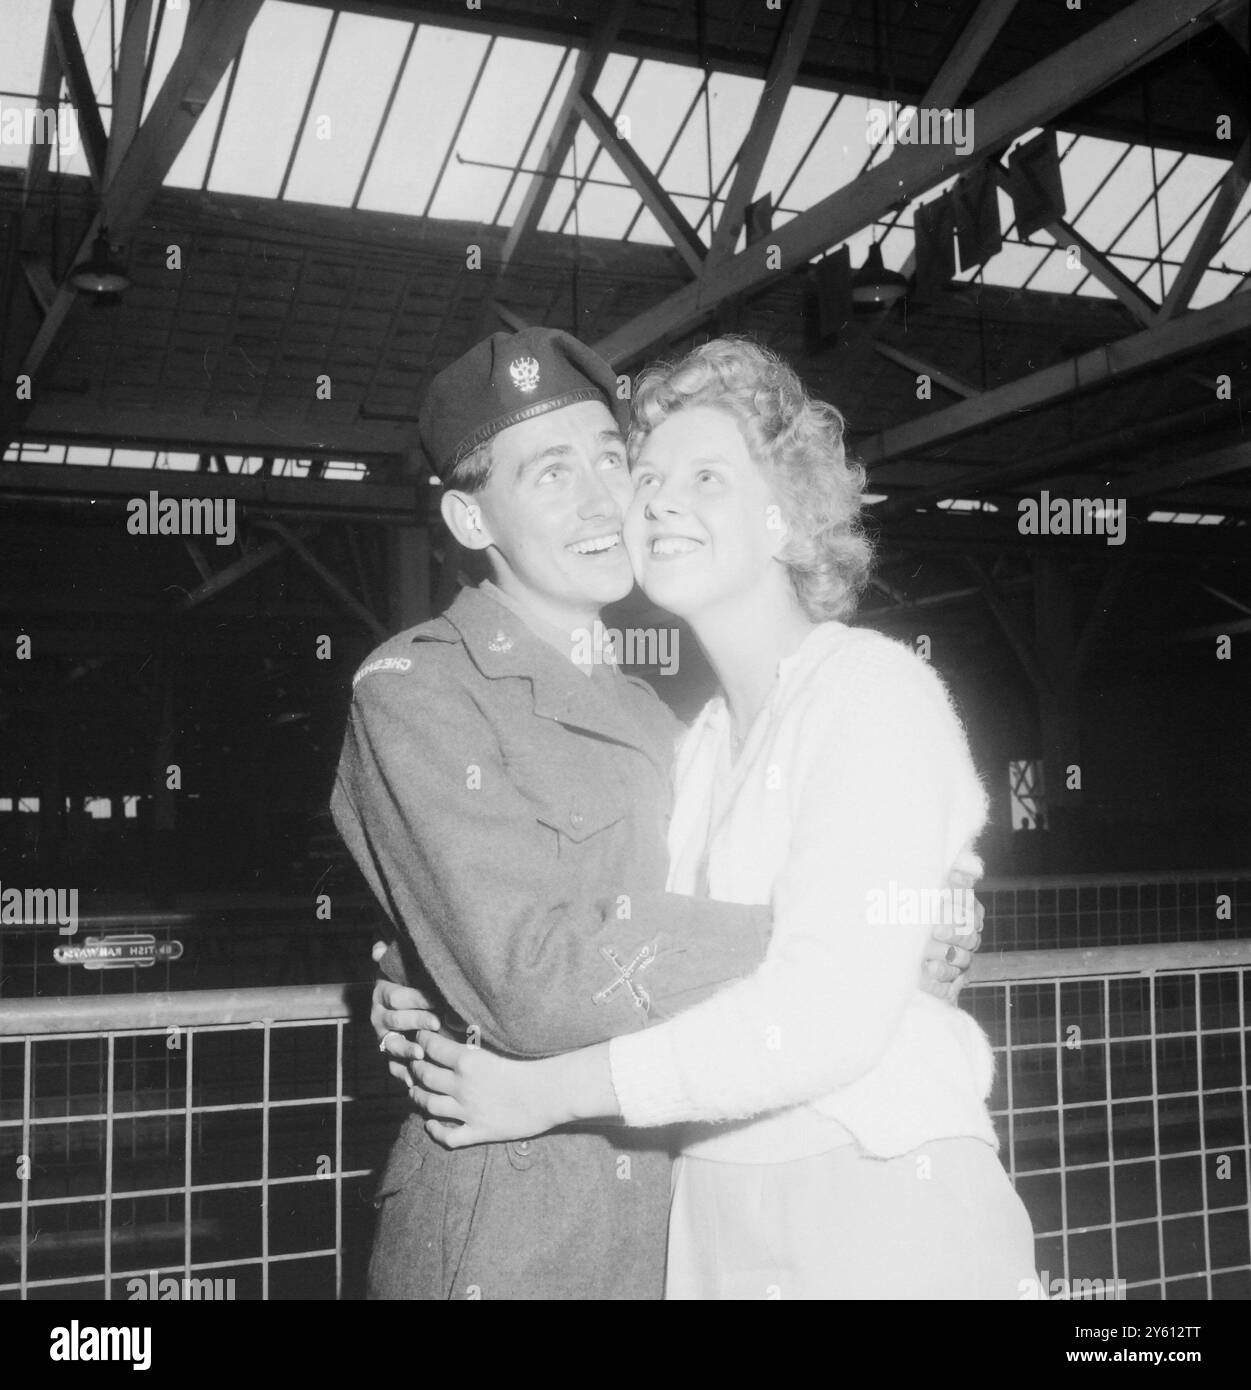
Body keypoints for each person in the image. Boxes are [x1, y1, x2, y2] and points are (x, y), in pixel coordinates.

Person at [334, 328, 980, 1301]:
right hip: (514, 1236)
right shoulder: (418, 687)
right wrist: (407, 970)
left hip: (742, 1214)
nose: (609, 500)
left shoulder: (687, 718)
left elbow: (668, 953)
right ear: (471, 519)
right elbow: (529, 975)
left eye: (610, 460)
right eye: (553, 473)